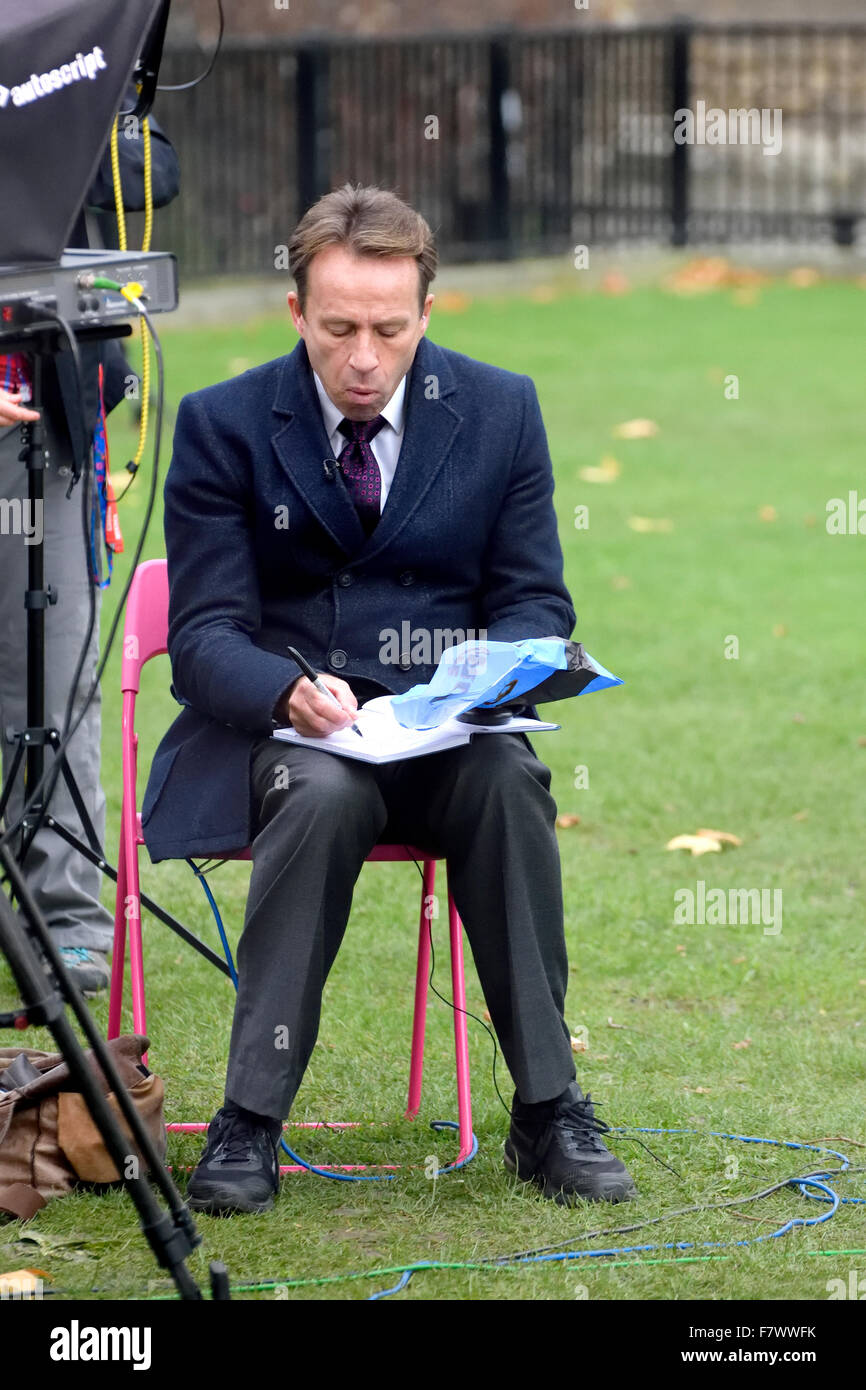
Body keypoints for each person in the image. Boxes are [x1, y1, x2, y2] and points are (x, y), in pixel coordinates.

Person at [142, 183, 638, 1213]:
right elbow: (201, 640)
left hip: (447, 738)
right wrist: (286, 690)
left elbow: (532, 600)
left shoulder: (500, 411)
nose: (363, 357)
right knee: (321, 794)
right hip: (293, 741)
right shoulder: (222, 426)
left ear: (424, 312)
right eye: (337, 329)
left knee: (508, 777)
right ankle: (248, 1120)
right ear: (294, 315)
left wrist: (477, 682)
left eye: (387, 328)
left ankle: (547, 1109)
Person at [0, 100, 179, 995]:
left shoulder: (65, 44)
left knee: (56, 676)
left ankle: (65, 923)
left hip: (47, 420)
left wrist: (109, 94)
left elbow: (152, 181)